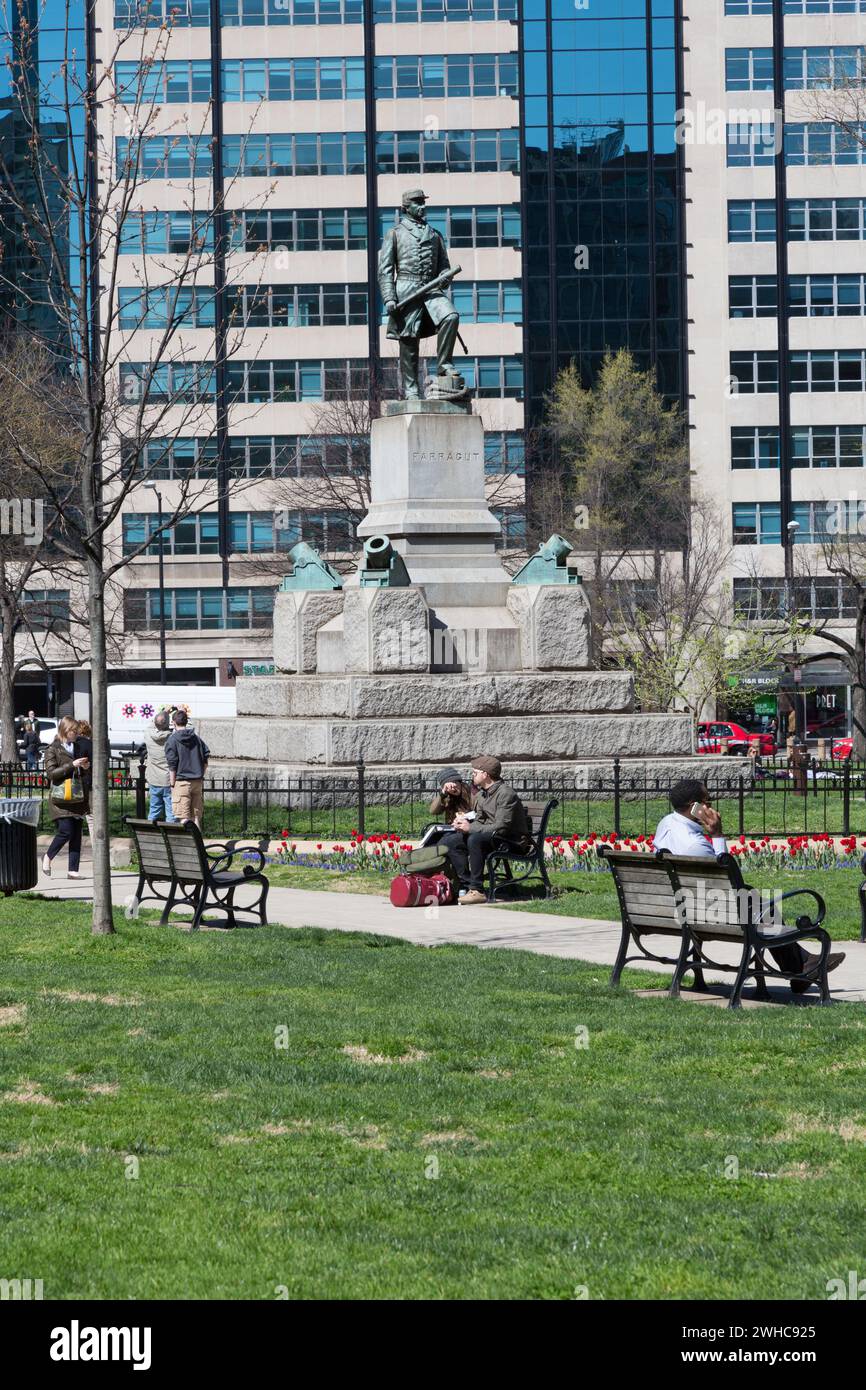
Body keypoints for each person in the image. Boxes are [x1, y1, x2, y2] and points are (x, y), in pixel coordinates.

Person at [653, 779, 844, 994]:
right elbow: (728, 877)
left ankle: (803, 965)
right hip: (705, 915)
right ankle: (799, 968)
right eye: (708, 801)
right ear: (694, 807)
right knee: (760, 906)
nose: (711, 807)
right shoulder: (694, 844)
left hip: (674, 909)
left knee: (756, 900)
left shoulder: (666, 824)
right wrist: (716, 834)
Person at [377, 189, 462, 400]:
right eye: (417, 203)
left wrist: (445, 277)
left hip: (431, 290)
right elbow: (385, 270)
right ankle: (411, 389)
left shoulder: (435, 235)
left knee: (451, 317)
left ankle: (444, 364)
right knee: (409, 342)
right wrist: (389, 298)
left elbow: (444, 267)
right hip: (407, 289)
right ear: (405, 207)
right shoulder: (394, 233)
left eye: (423, 202)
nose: (422, 206)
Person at [441, 756, 531, 905]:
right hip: (492, 837)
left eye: (475, 772)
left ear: (485, 774)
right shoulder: (483, 794)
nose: (472, 775)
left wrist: (471, 828)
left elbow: (502, 827)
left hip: (511, 841)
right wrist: (463, 824)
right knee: (451, 841)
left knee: (474, 839)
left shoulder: (506, 794)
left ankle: (477, 890)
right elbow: (480, 820)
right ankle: (467, 883)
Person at [42, 716, 91, 879]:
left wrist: (84, 767)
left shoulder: (76, 747)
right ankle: (48, 857)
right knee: (66, 831)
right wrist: (72, 764)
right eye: (74, 731)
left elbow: (80, 772)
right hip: (61, 799)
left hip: (77, 797)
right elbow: (51, 774)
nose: (77, 734)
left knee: (76, 834)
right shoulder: (52, 749)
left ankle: (73, 870)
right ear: (65, 731)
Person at [165, 709, 209, 829]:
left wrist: (172, 783)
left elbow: (172, 764)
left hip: (181, 782)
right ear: (186, 721)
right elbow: (205, 759)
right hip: (197, 781)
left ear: (174, 722)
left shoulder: (172, 740)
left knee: (183, 817)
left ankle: (188, 846)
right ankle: (198, 845)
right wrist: (200, 774)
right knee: (195, 817)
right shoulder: (196, 738)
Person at [143, 711, 177, 823]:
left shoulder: (148, 734)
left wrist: (163, 713)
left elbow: (152, 723)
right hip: (168, 780)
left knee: (154, 810)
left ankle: (150, 834)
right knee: (171, 811)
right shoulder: (172, 737)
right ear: (168, 724)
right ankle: (171, 835)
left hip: (154, 779)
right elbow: (186, 728)